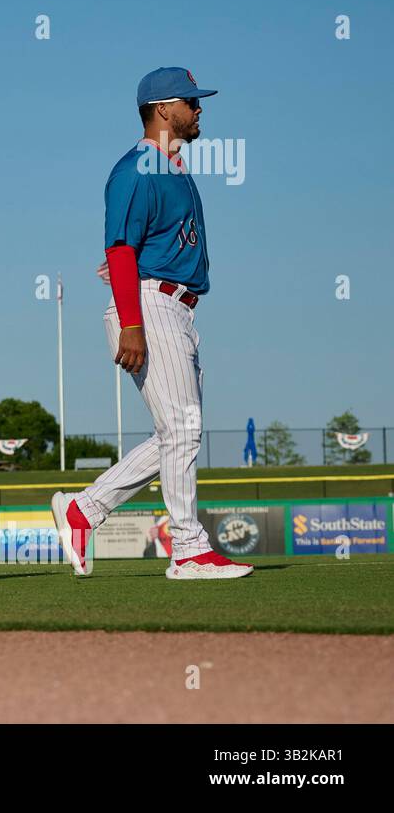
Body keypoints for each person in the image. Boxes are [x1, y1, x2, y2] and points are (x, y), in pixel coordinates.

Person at [50, 67, 252, 580]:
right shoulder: (138, 168)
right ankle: (187, 549)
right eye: (190, 100)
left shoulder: (172, 167)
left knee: (176, 434)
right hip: (149, 306)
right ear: (163, 109)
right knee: (183, 428)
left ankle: (83, 511)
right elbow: (119, 248)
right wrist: (132, 323)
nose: (199, 108)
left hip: (174, 307)